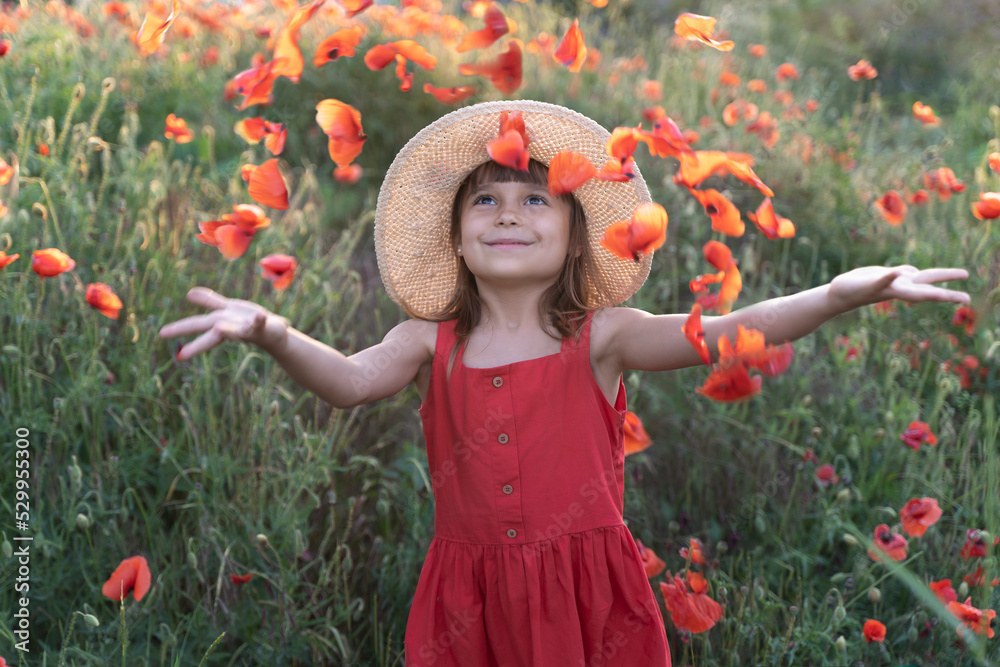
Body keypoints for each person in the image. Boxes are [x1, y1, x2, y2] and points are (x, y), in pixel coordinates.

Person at [158, 100, 970, 666]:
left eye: (534, 198)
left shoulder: (603, 337)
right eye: (485, 200)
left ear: (578, 235)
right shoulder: (424, 341)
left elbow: (725, 334)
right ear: (458, 238)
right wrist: (272, 331)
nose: (507, 212)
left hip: (586, 597)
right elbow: (344, 381)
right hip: (466, 601)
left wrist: (839, 292)